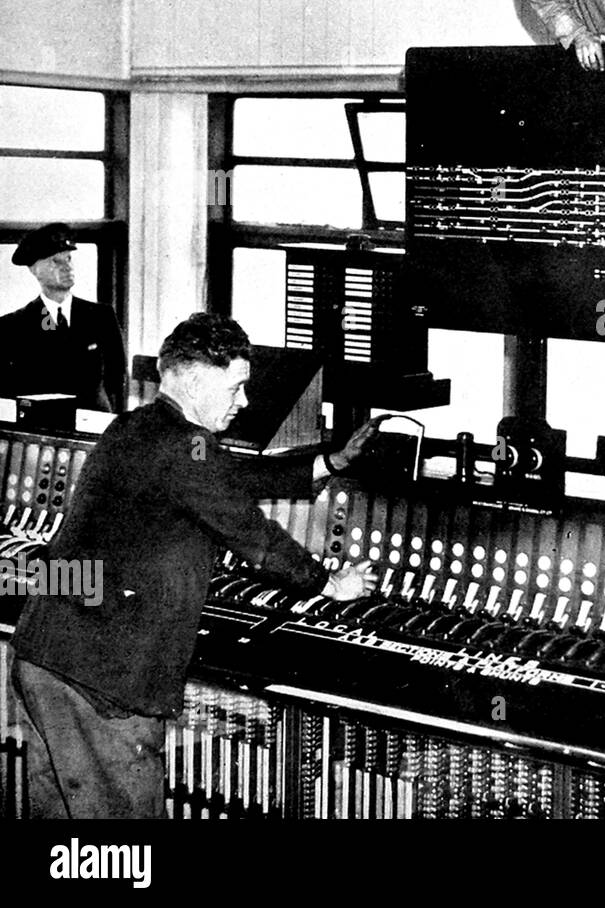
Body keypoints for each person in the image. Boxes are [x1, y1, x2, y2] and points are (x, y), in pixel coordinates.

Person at [9, 312, 381, 818]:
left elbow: (226, 479)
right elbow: (254, 536)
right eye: (236, 388)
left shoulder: (137, 426)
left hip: (45, 655)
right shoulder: (186, 447)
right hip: (104, 681)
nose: (244, 402)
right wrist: (330, 583)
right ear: (195, 378)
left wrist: (328, 463)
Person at [0, 222, 127, 413]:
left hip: (92, 426)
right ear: (34, 270)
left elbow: (116, 378)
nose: (67, 267)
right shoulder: (12, 325)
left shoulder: (101, 317)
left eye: (68, 259)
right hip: (40, 430)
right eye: (55, 261)